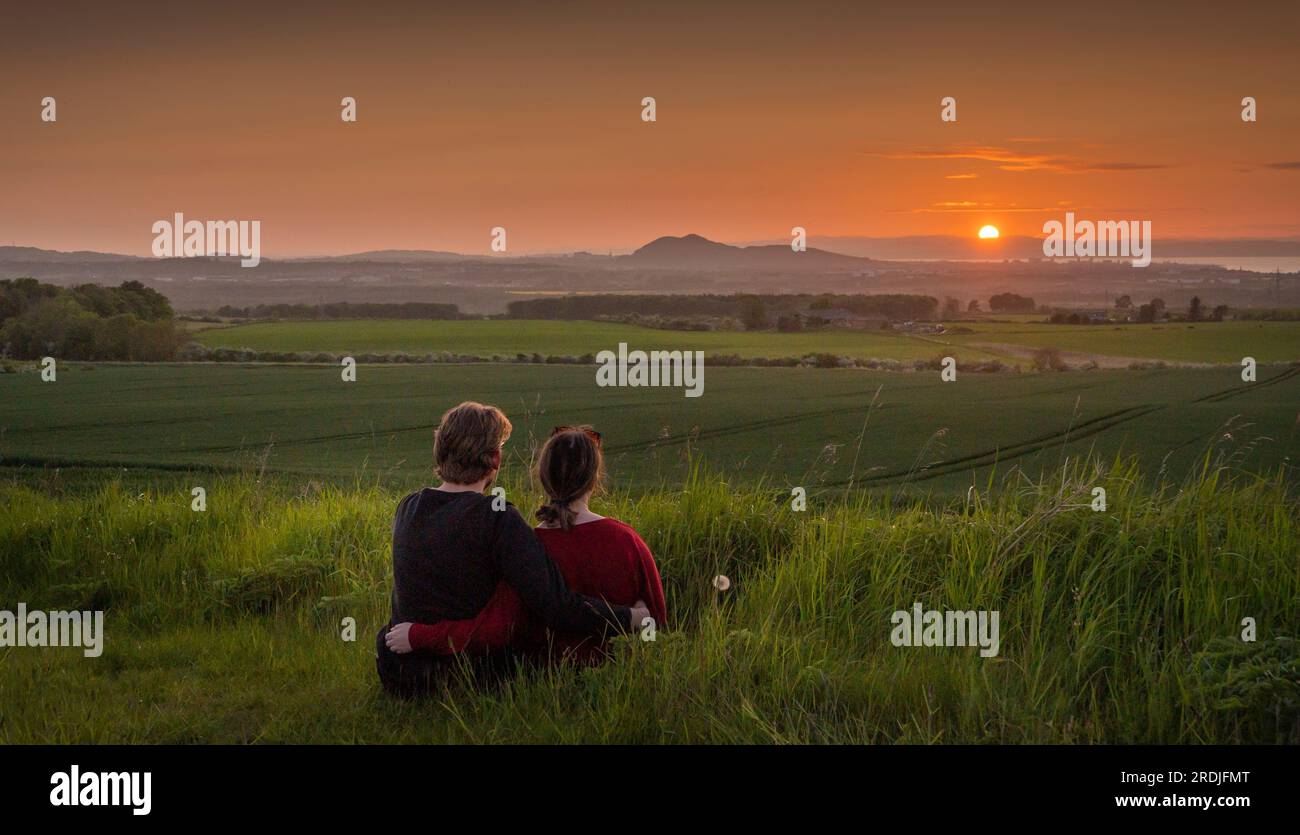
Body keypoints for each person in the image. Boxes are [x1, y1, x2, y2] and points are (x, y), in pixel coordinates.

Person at [376, 403, 649, 696]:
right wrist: (630, 618)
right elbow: (556, 606)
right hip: (467, 677)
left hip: (398, 671)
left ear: (441, 450)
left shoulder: (409, 506)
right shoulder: (496, 517)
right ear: (494, 459)